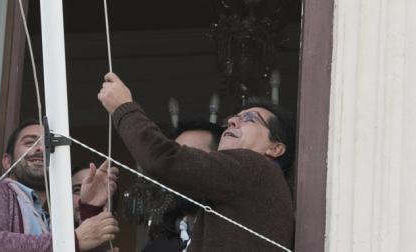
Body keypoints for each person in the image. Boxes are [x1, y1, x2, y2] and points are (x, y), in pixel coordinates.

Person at [98, 73, 295, 252]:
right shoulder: (253, 187)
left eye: (249, 119)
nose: (233, 122)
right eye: (233, 118)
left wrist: (122, 108)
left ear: (275, 148)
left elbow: (165, 159)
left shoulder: (257, 166)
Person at [0, 120, 120, 252]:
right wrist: (70, 243)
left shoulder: (50, 220)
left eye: (47, 145)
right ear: (7, 161)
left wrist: (90, 207)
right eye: (30, 142)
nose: (40, 149)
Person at [142, 121, 222, 252]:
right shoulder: (156, 247)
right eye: (175, 161)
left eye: (192, 158)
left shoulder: (239, 235)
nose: (180, 169)